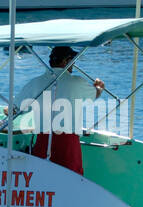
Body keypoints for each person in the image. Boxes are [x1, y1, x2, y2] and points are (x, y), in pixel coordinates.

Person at [14, 45, 104, 175]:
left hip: (43, 140)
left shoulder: (36, 82)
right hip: (68, 143)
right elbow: (95, 94)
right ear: (66, 61)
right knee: (72, 181)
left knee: (41, 182)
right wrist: (100, 87)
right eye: (72, 60)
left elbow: (15, 110)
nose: (74, 64)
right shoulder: (77, 83)